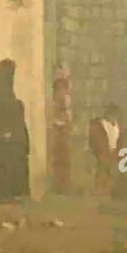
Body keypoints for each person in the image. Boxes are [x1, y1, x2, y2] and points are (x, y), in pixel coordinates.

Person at [0, 58, 29, 203]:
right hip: (2, 131)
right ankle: (2, 194)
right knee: (3, 163)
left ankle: (11, 192)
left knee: (11, 162)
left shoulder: (4, 84)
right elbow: (1, 109)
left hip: (8, 131)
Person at [88, 104, 123, 194]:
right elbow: (96, 141)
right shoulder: (98, 125)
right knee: (101, 170)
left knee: (110, 172)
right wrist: (100, 152)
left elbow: (118, 140)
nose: (114, 117)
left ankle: (107, 189)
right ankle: (99, 188)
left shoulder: (117, 126)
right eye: (112, 114)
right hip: (101, 153)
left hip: (112, 153)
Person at [50, 63, 73, 193]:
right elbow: (61, 107)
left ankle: (63, 184)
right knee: (60, 156)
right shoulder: (60, 91)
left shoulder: (65, 89)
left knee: (64, 157)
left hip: (63, 125)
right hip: (59, 125)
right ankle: (61, 184)